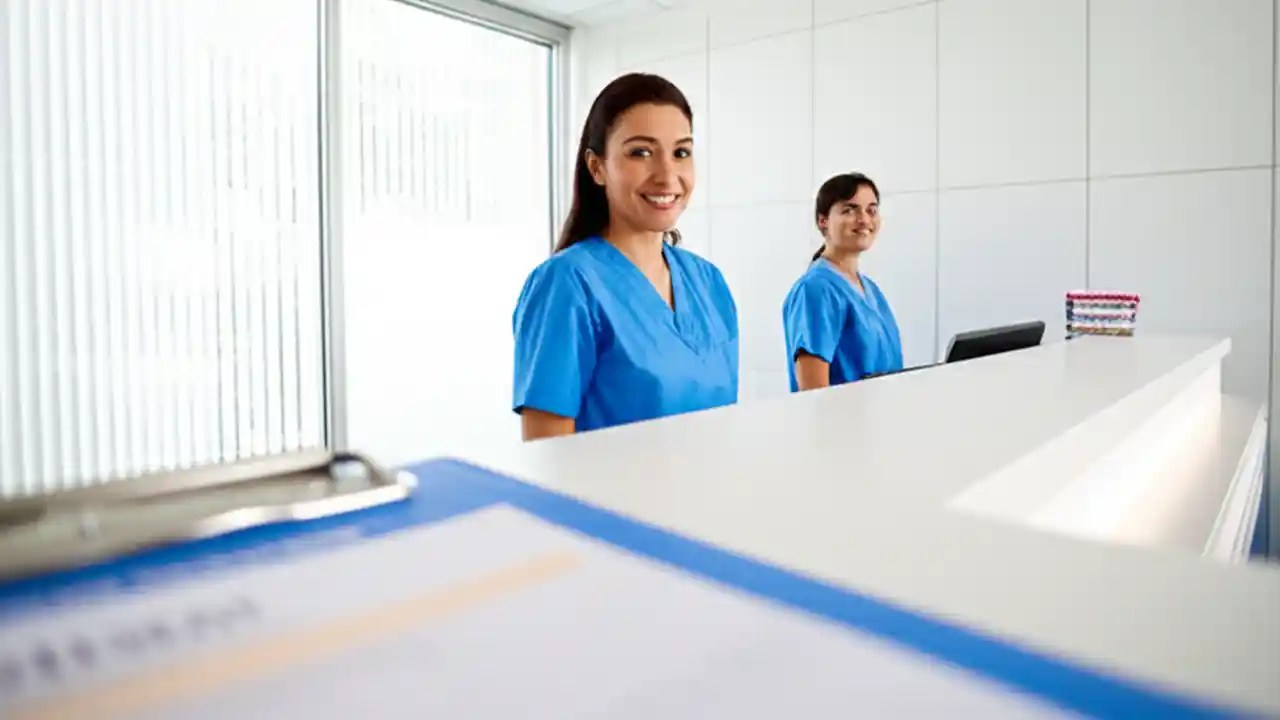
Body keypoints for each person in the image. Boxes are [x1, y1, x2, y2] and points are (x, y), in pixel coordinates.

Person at [512, 73, 738, 440]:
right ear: (597, 167)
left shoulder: (710, 283)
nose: (667, 175)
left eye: (681, 152)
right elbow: (547, 455)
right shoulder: (567, 284)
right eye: (641, 153)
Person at [782, 172, 903, 392]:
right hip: (841, 424)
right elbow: (813, 394)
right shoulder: (816, 290)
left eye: (871, 210)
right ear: (823, 220)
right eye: (850, 210)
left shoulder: (870, 289)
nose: (864, 219)